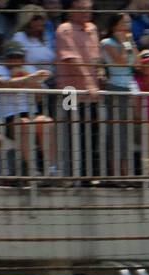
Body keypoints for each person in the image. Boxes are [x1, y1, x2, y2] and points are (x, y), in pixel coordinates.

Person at [0, 42, 56, 176]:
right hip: (3, 118)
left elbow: (40, 96)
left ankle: (51, 170)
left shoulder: (28, 70)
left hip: (29, 114)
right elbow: (5, 86)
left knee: (47, 122)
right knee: (24, 124)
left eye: (18, 57)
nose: (15, 61)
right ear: (5, 58)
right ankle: (33, 171)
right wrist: (28, 78)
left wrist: (30, 79)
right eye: (11, 57)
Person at [55, 0, 103, 177]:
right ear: (71, 10)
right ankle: (72, 174)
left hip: (91, 94)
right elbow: (72, 59)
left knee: (92, 133)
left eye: (88, 9)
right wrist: (89, 82)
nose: (86, 12)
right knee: (72, 131)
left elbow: (96, 57)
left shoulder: (92, 29)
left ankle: (89, 175)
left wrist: (100, 73)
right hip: (70, 90)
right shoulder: (64, 29)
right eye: (81, 9)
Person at [101, 12, 139, 176]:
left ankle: (126, 171)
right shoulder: (106, 42)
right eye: (124, 23)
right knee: (117, 132)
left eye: (129, 23)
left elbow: (137, 63)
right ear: (115, 26)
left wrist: (130, 43)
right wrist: (126, 43)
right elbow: (122, 61)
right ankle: (117, 172)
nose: (127, 27)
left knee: (127, 131)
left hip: (130, 87)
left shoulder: (128, 42)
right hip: (116, 87)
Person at [12, 6, 57, 78]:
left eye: (41, 19)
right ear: (27, 21)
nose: (40, 22)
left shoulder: (47, 37)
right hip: (30, 78)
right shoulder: (20, 36)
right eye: (35, 19)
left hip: (51, 78)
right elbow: (17, 63)